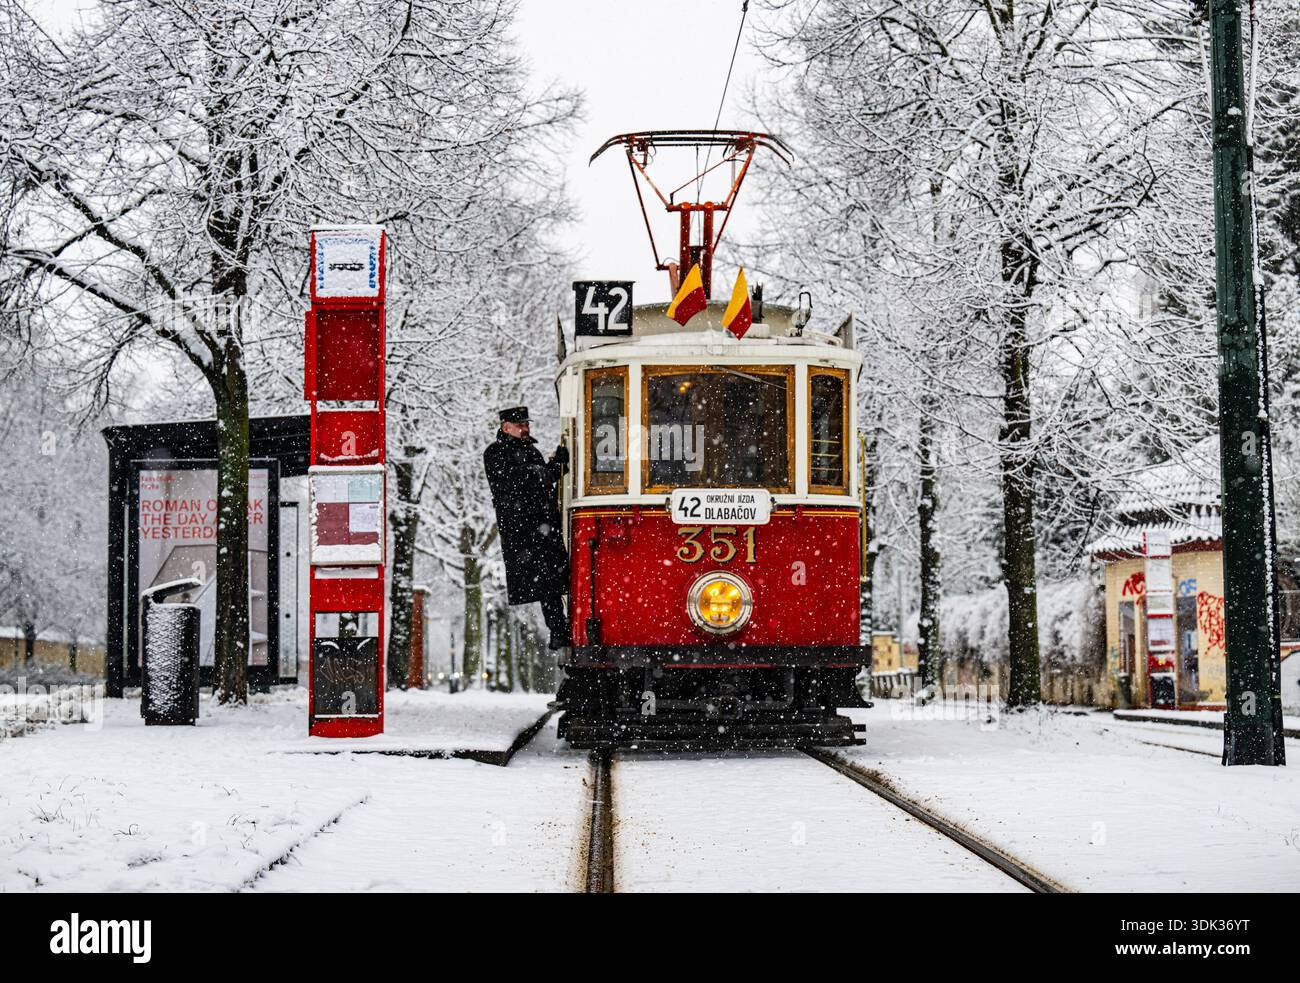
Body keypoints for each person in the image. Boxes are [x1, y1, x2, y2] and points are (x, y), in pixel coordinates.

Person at [483, 406, 571, 649]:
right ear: (505, 427)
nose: (525, 428)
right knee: (546, 582)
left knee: (554, 578)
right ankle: (557, 629)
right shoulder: (495, 452)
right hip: (522, 530)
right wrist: (543, 471)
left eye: (526, 424)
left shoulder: (531, 451)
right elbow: (515, 482)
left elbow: (541, 480)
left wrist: (555, 465)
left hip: (543, 525)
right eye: (520, 425)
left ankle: (561, 628)